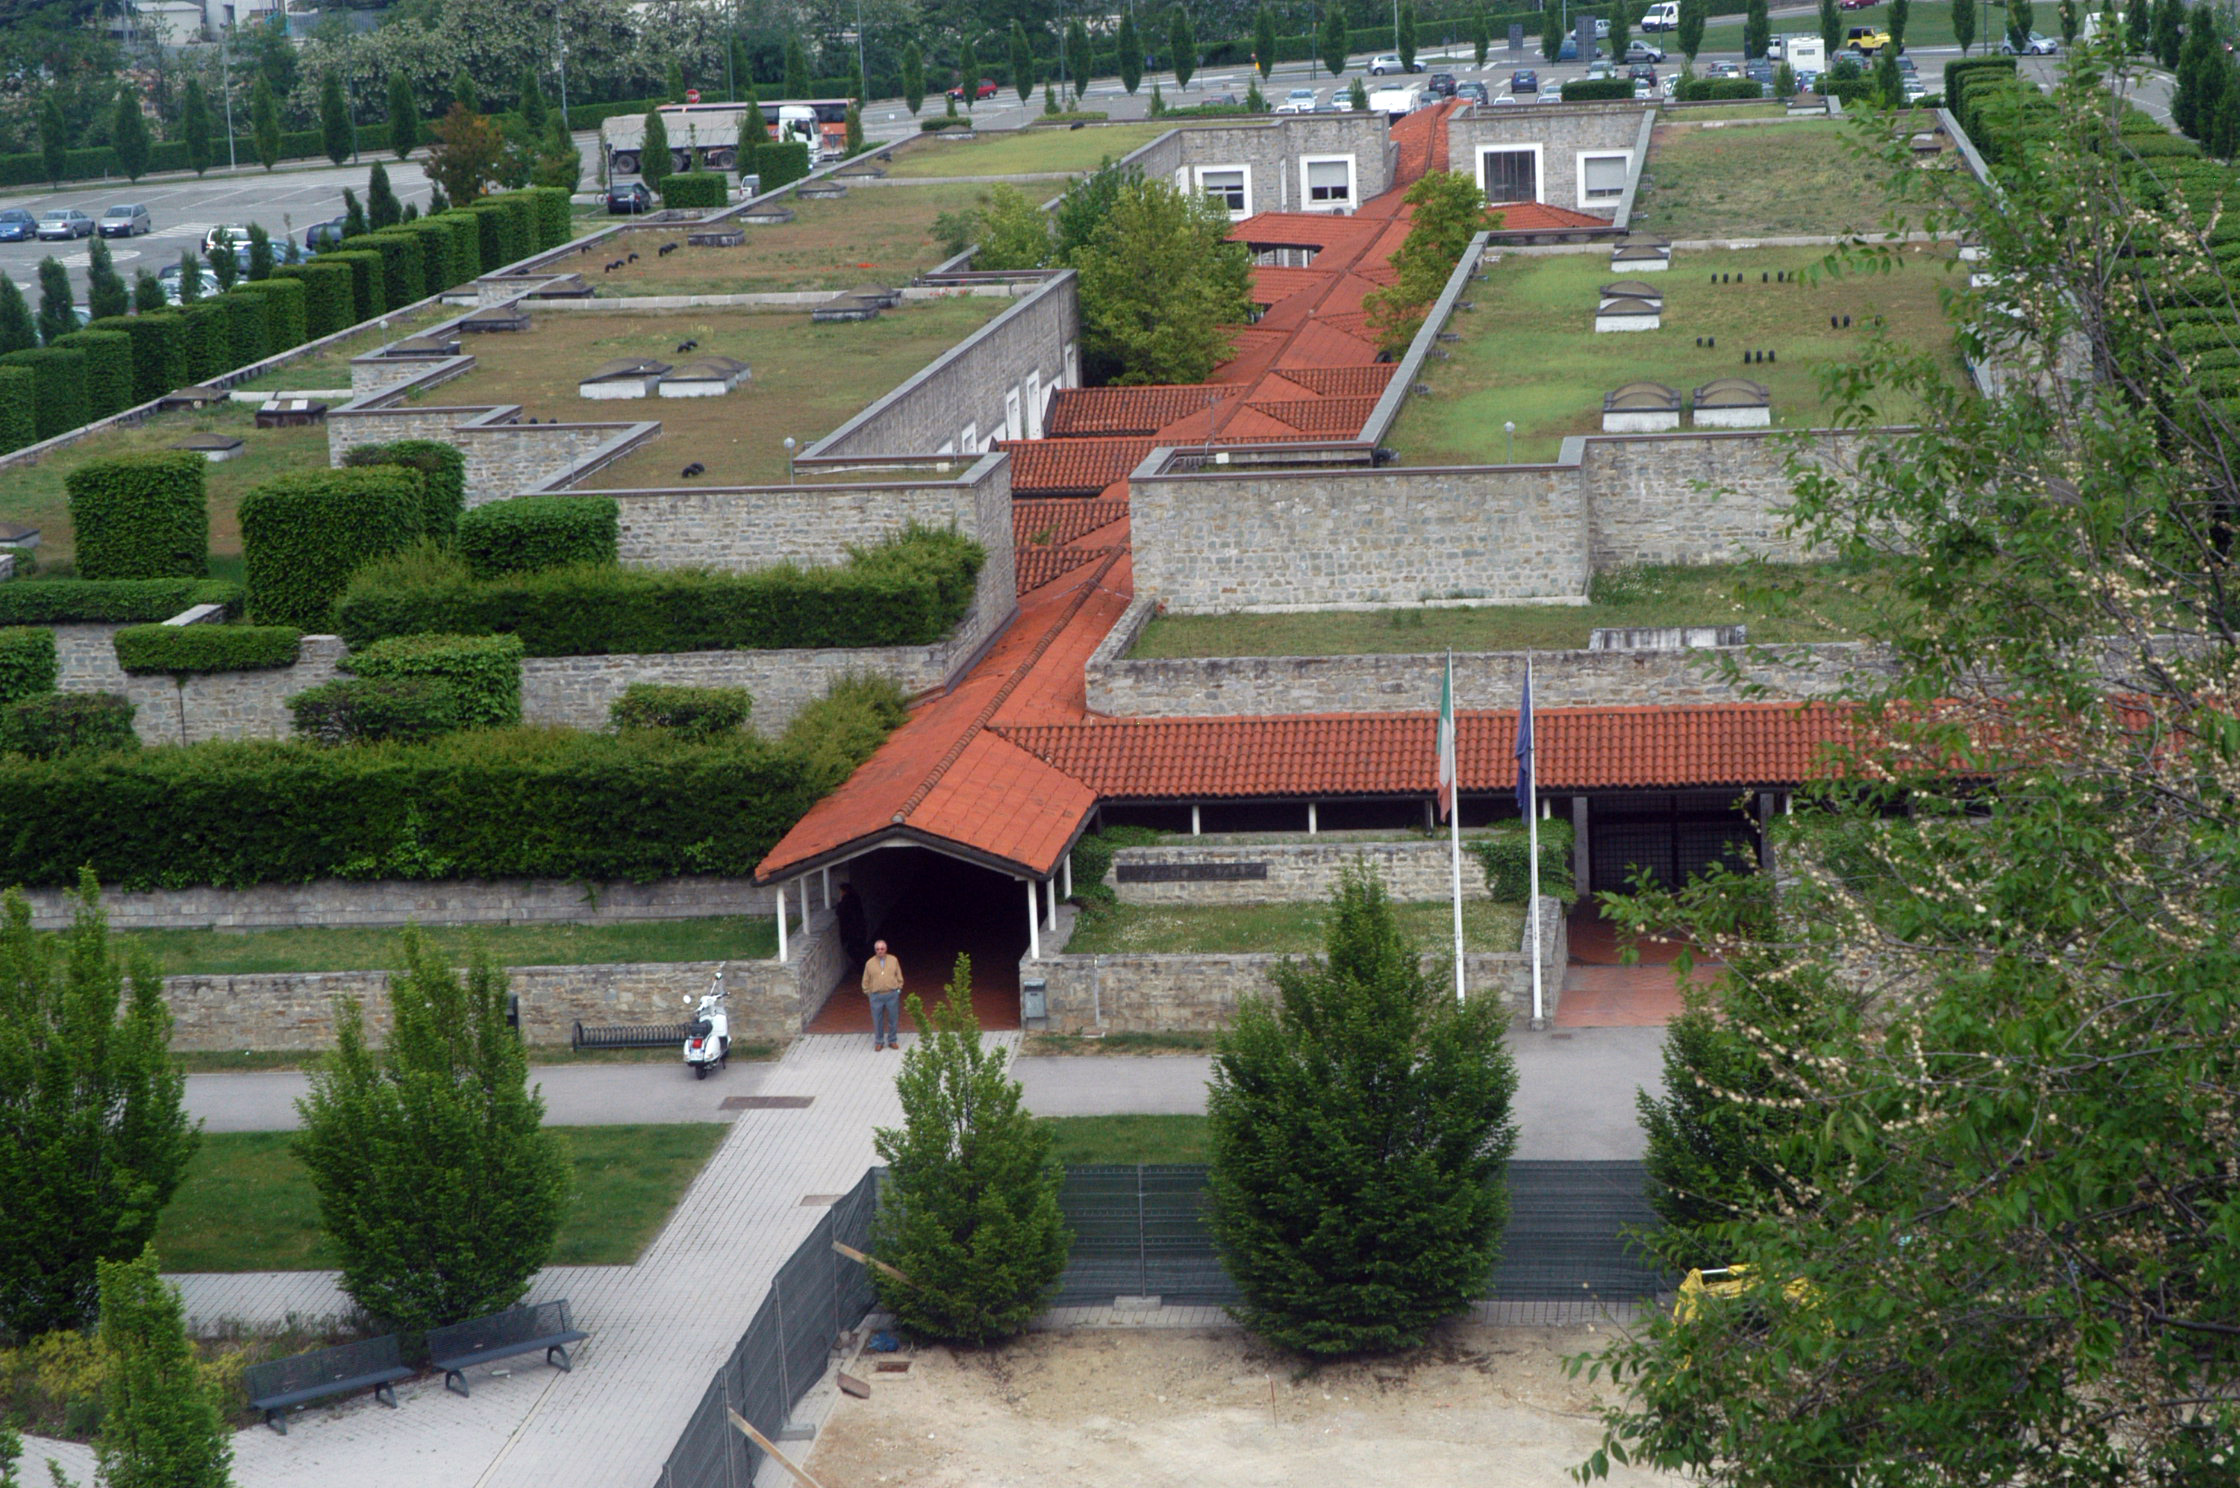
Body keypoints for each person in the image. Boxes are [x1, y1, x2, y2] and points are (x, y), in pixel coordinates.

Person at [861, 939, 903, 1051]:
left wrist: (898, 988)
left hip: (891, 994)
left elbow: (899, 975)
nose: (880, 951)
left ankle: (892, 1040)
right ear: (875, 950)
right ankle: (879, 1041)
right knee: (877, 1020)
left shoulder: (893, 960)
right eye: (878, 949)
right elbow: (865, 980)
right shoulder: (869, 963)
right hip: (876, 996)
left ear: (886, 949)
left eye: (882, 949)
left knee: (893, 1018)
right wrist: (868, 993)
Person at [835, 881, 868, 966]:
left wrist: (839, 902)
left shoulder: (846, 900)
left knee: (852, 949)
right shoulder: (855, 898)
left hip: (852, 929)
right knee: (859, 948)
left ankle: (861, 966)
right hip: (860, 927)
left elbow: (839, 911)